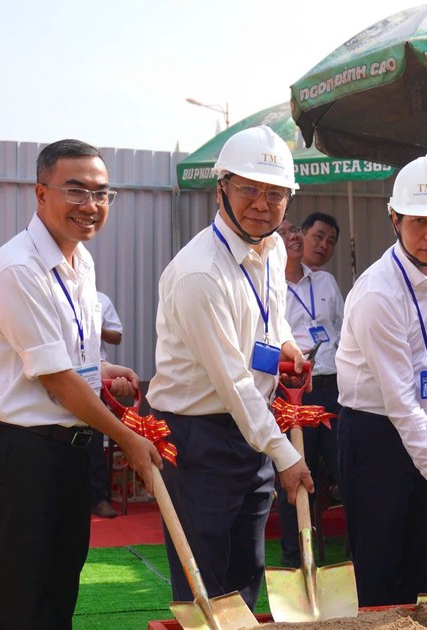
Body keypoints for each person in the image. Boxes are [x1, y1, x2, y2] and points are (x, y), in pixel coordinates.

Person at [0, 139, 162, 629]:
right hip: (22, 454)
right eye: (75, 191)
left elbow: (70, 359)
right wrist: (129, 440)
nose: (91, 206)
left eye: (101, 194)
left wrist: (101, 368)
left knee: (58, 596)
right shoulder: (19, 268)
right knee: (18, 602)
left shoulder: (80, 261)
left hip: (72, 452)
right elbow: (57, 380)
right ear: (40, 193)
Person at [146, 126, 313, 609]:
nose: (262, 204)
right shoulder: (201, 273)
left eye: (275, 194)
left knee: (247, 570)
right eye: (249, 189)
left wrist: (288, 348)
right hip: (198, 439)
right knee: (205, 583)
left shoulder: (273, 248)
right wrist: (286, 456)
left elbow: (272, 315)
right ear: (221, 188)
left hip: (252, 431)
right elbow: (234, 382)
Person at [335, 154, 427, 607]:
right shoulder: (379, 294)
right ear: (394, 218)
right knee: (381, 565)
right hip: (377, 436)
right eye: (419, 222)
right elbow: (399, 401)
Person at [274, 218, 346, 567]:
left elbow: (343, 332)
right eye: (318, 235)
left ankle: (357, 554)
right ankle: (297, 559)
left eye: (331, 240)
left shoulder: (326, 282)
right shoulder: (267, 284)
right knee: (295, 474)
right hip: (290, 389)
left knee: (348, 467)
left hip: (331, 387)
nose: (293, 237)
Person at [86, 291, 124, 519]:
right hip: (63, 377)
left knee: (94, 442)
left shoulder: (100, 300)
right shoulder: (56, 298)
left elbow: (117, 336)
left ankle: (99, 499)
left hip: (94, 378)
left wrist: (95, 329)